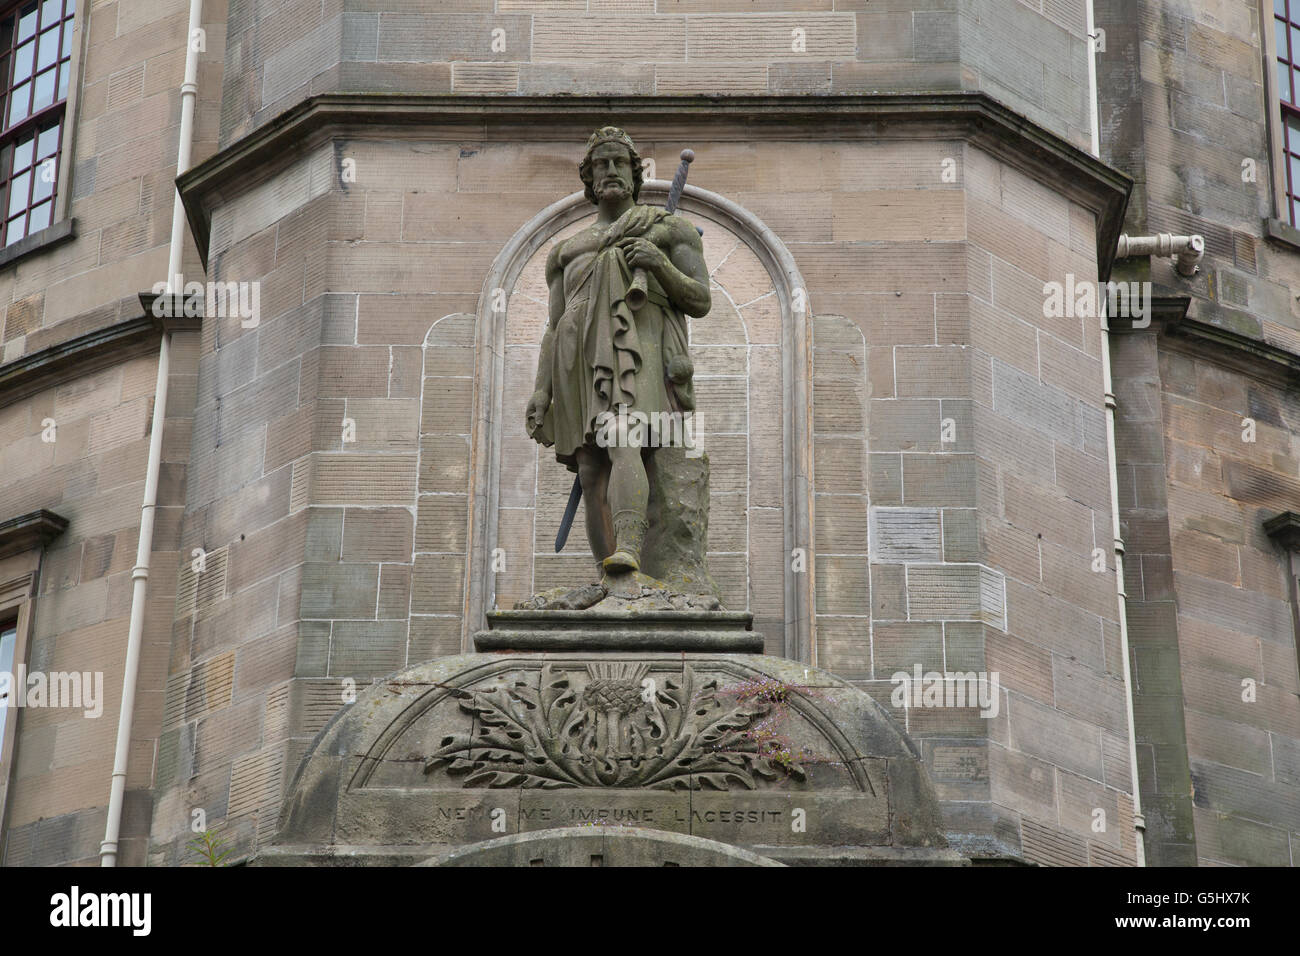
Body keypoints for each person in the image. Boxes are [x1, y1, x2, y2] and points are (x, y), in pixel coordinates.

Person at [525, 127, 710, 575]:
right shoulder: (564, 252)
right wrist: (541, 390)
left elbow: (700, 299)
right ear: (588, 177)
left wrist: (658, 263)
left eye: (619, 162)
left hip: (636, 348)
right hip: (576, 359)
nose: (610, 170)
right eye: (600, 164)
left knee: (624, 437)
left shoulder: (668, 229)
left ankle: (629, 551)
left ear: (634, 172)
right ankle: (608, 575)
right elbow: (553, 325)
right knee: (590, 469)